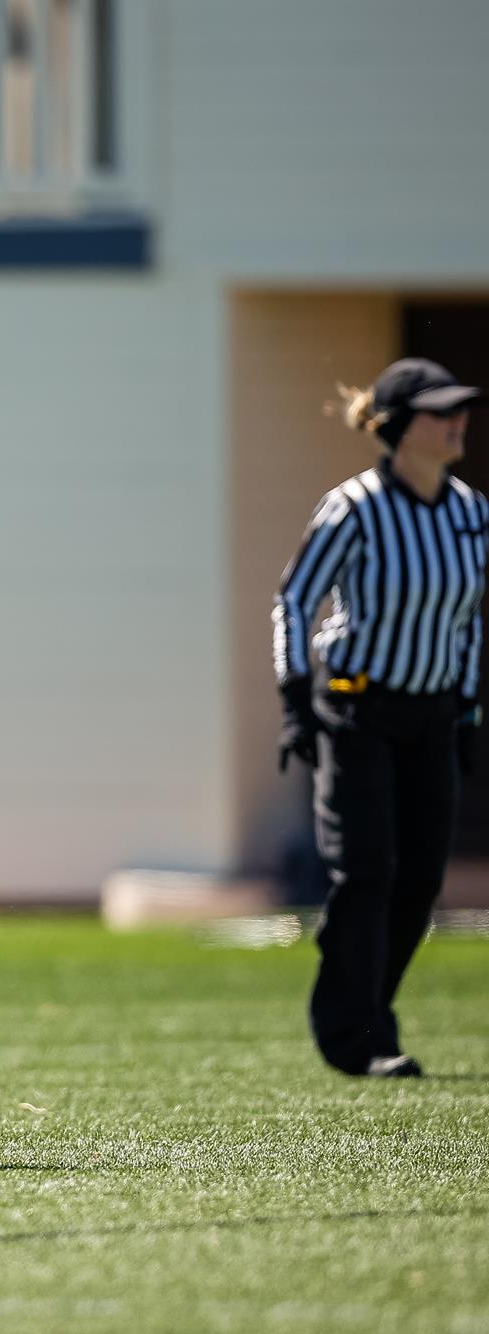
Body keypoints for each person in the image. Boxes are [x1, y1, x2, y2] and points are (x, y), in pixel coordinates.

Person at [273, 356, 483, 1078]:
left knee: (420, 878)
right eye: (439, 411)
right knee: (367, 871)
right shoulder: (354, 507)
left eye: (460, 410)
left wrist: (469, 709)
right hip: (357, 708)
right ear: (397, 427)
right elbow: (296, 598)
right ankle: (352, 1037)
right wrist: (296, 698)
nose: (457, 422)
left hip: (430, 713)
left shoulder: (471, 512)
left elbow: (467, 620)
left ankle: (375, 1010)